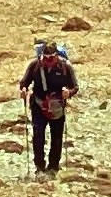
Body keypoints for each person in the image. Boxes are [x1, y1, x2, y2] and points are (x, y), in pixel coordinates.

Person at [19, 37, 79, 177]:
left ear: (56, 56)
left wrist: (68, 93)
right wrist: (23, 90)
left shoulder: (65, 67)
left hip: (57, 107)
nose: (47, 61)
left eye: (51, 57)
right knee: (38, 135)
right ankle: (39, 166)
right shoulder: (35, 65)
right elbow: (24, 82)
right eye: (45, 58)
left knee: (56, 137)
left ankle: (53, 166)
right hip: (38, 105)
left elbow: (75, 87)